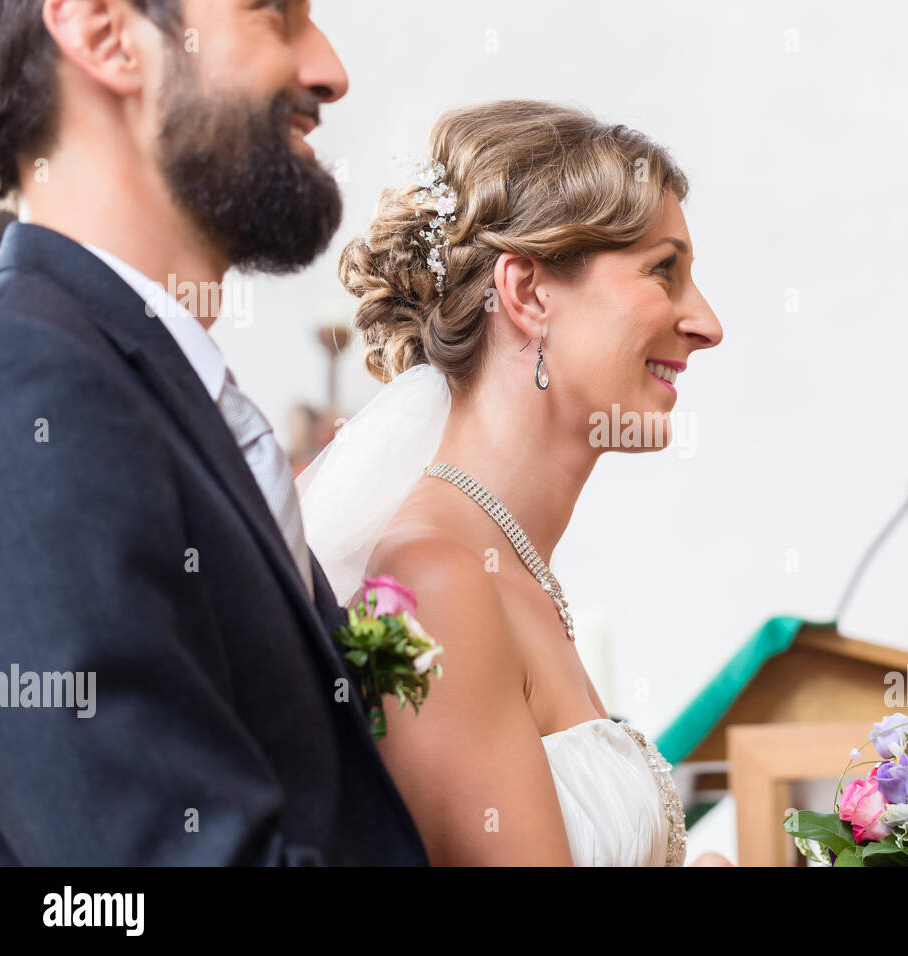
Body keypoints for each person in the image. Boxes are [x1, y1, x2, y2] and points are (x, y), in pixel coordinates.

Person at [0, 0, 426, 865]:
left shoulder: (152, 380)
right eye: (276, 14)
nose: (328, 68)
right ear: (107, 34)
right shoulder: (31, 378)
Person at [299, 100, 728, 865]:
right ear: (527, 294)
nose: (706, 321)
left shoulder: (510, 567)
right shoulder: (435, 578)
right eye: (664, 271)